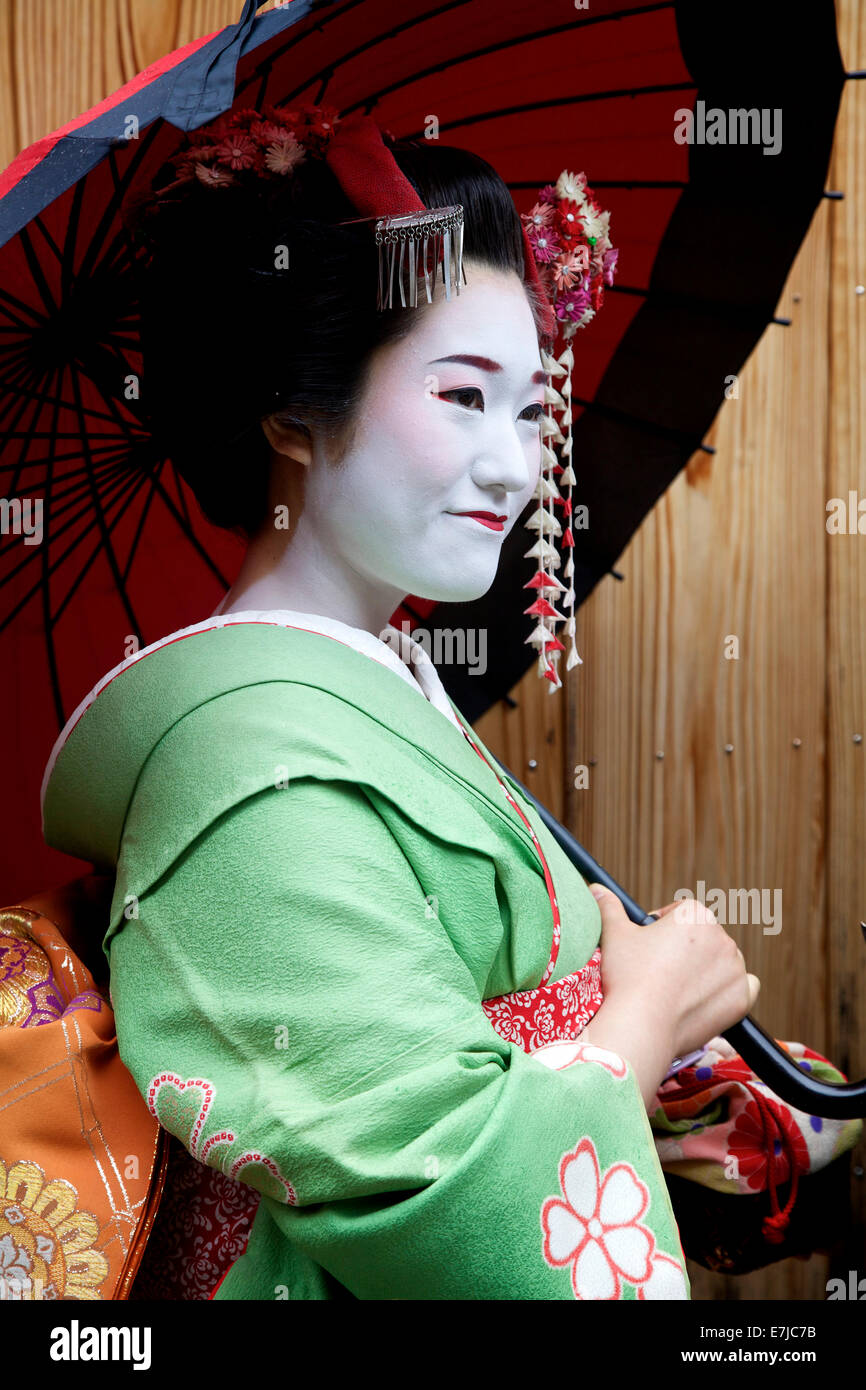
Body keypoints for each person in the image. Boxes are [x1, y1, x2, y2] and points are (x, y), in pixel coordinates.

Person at [38, 106, 857, 1301]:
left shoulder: (370, 694)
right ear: (288, 413)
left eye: (528, 408)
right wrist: (640, 1010)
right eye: (463, 396)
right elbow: (459, 1205)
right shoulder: (247, 776)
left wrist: (661, 1039)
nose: (514, 464)